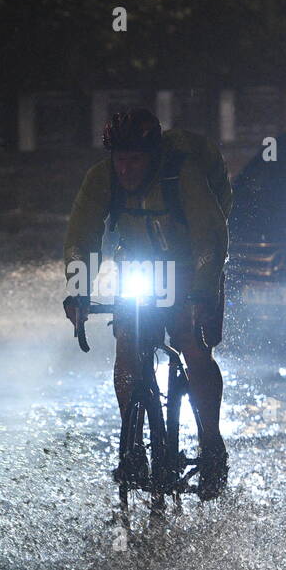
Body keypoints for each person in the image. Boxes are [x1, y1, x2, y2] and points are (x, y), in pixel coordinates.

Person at [63, 108, 232, 497]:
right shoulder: (101, 179)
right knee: (127, 347)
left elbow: (211, 236)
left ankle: (212, 446)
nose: (125, 169)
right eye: (119, 159)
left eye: (135, 159)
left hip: (191, 263)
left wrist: (204, 291)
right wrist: (78, 292)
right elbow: (81, 236)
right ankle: (134, 449)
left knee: (192, 344)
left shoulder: (182, 175)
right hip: (139, 263)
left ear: (154, 155)